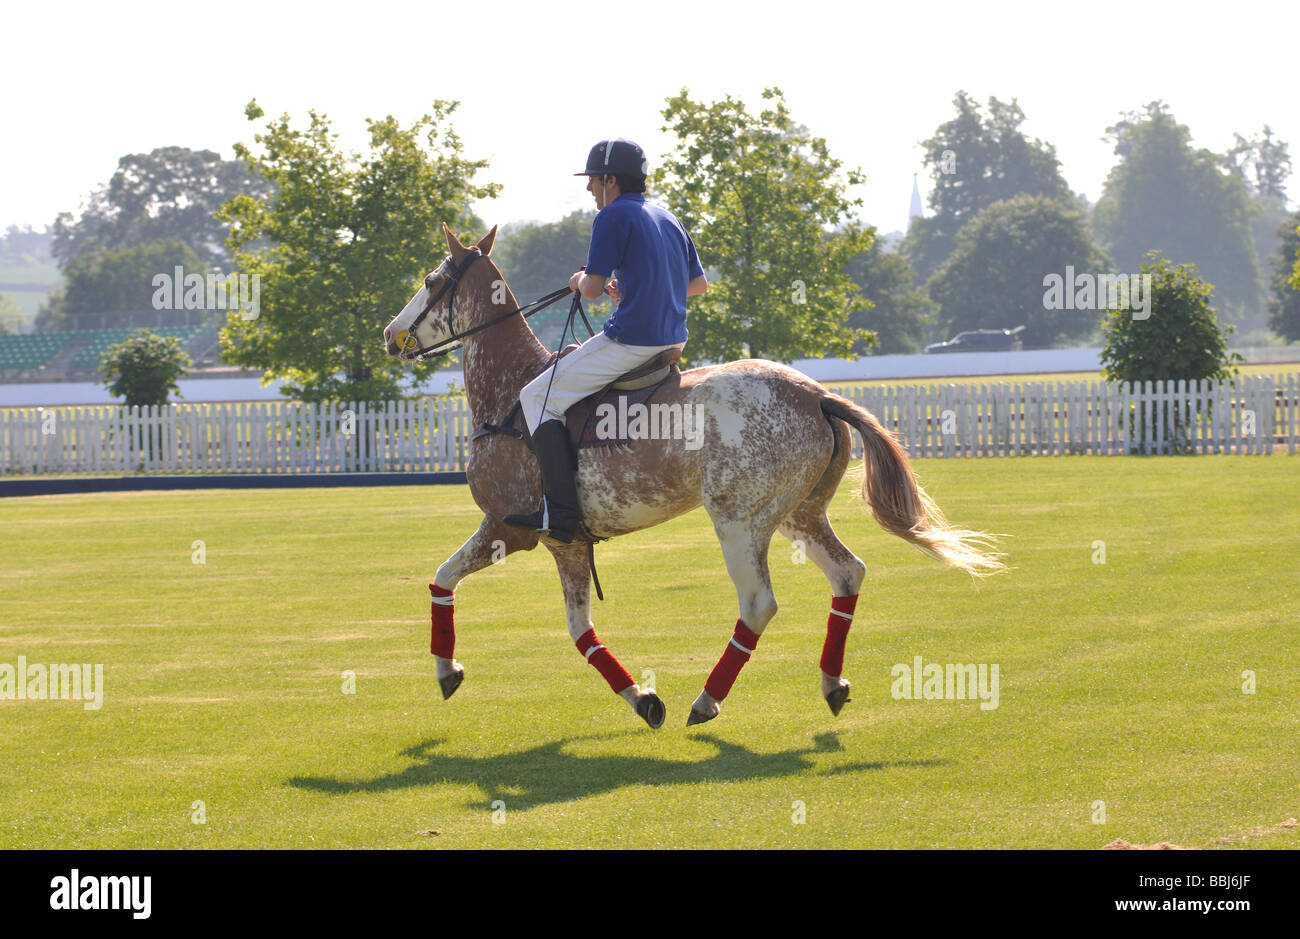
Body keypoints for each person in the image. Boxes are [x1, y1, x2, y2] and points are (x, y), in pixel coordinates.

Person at [505, 138, 708, 543]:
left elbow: (592, 290)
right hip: (672, 341)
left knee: (536, 397)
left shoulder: (612, 216)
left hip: (631, 341)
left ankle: (561, 514)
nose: (589, 188)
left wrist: (578, 279)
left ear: (611, 180)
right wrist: (633, 292)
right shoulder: (667, 217)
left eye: (593, 179)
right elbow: (698, 285)